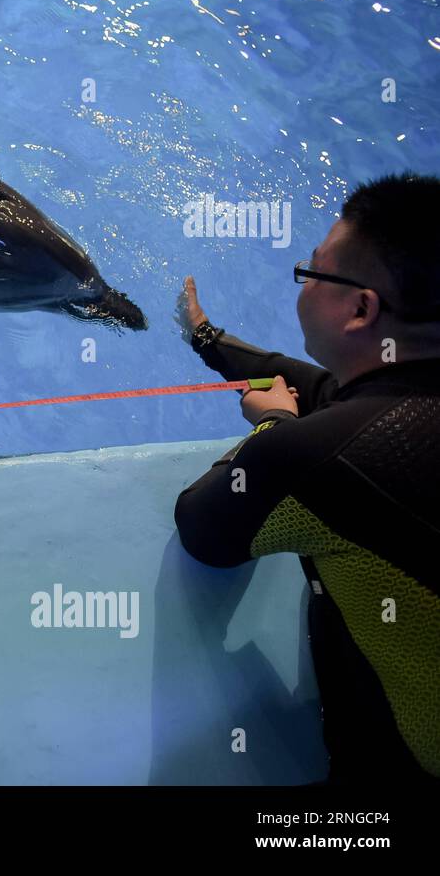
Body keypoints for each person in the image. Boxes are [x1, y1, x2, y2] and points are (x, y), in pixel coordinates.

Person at [173, 172, 440, 784]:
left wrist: (273, 428)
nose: (303, 281)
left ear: (360, 308)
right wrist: (209, 340)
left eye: (312, 271)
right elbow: (336, 389)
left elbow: (203, 530)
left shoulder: (310, 457)